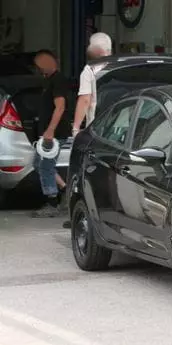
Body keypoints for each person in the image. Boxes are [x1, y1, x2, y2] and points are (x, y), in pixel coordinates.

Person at [62, 32, 112, 228]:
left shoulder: (89, 70)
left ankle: (83, 217)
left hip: (98, 131)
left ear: (95, 50)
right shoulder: (121, 67)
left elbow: (84, 100)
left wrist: (76, 129)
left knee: (85, 173)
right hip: (124, 131)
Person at [32, 49, 71, 218]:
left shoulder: (58, 81)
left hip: (55, 133)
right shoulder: (48, 81)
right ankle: (65, 190)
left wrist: (50, 130)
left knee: (46, 166)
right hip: (48, 133)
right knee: (38, 164)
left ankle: (52, 202)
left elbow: (60, 106)